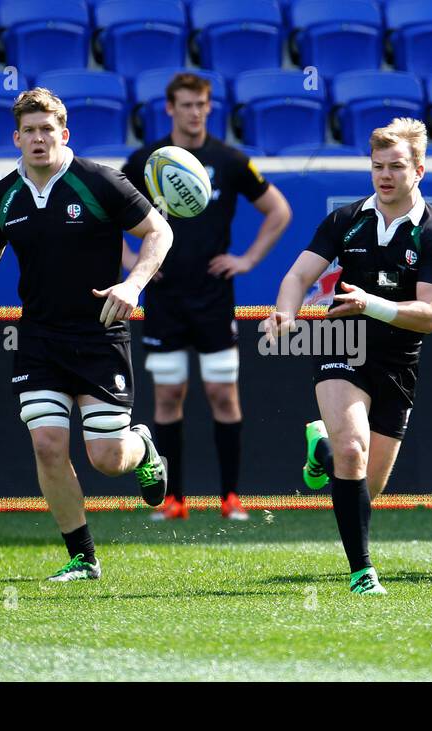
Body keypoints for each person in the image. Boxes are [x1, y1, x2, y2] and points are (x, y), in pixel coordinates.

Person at [0, 88, 173, 581]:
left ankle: (143, 447)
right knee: (48, 445)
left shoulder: (99, 181)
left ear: (63, 134)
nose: (37, 138)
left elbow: (160, 232)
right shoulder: (4, 194)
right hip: (40, 337)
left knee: (107, 459)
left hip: (100, 335)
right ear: (16, 137)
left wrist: (134, 284)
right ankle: (83, 556)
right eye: (28, 130)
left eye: (46, 129)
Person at [266, 118, 432, 595]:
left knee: (366, 491)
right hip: (341, 342)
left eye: (396, 166)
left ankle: (322, 447)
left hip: (398, 362)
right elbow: (296, 278)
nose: (385, 175)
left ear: (419, 170)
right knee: (353, 450)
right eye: (377, 166)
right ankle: (362, 573)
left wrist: (371, 303)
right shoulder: (345, 219)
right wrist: (285, 316)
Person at [122, 73, 291, 522]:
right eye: (186, 104)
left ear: (209, 107)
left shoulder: (229, 159)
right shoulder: (145, 161)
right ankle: (174, 500)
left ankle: (230, 499)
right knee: (169, 395)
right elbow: (104, 212)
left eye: (201, 104)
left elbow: (279, 210)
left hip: (214, 297)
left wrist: (248, 260)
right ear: (169, 108)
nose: (194, 111)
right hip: (165, 299)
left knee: (222, 394)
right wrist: (133, 262)